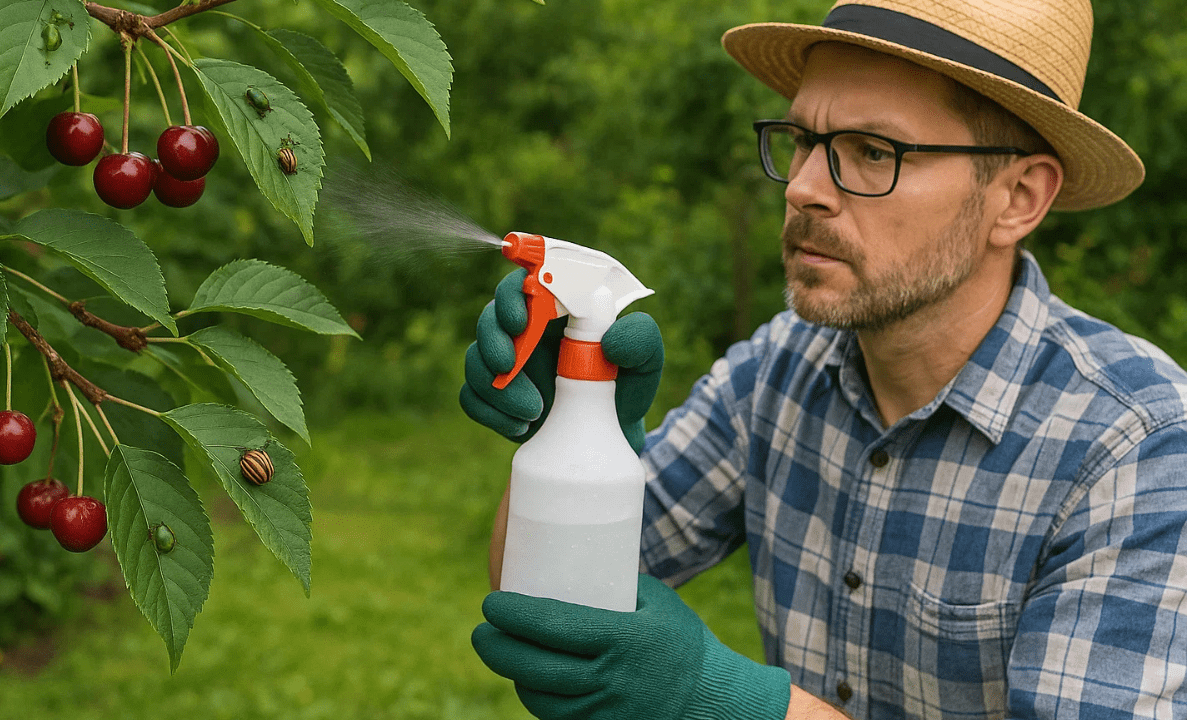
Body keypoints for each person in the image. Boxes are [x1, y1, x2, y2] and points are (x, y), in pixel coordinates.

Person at [459, 0, 1187, 718]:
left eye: (874, 151)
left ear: (1018, 199)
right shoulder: (777, 370)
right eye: (804, 140)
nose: (805, 189)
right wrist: (576, 430)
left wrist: (724, 702)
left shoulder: (1138, 452)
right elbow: (553, 613)